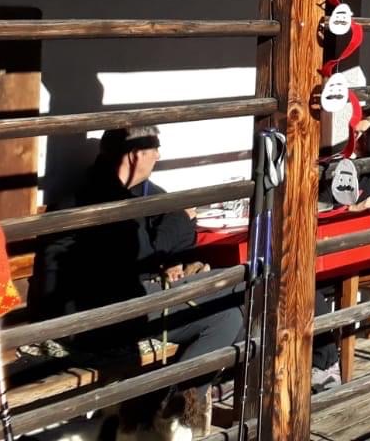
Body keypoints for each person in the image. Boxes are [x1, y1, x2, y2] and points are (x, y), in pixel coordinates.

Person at [33, 127, 245, 409]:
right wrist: (181, 221)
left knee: (233, 309)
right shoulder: (101, 200)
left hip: (121, 299)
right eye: (154, 148)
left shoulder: (119, 190)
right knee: (236, 293)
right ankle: (171, 411)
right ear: (135, 155)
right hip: (94, 317)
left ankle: (175, 408)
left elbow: (161, 241)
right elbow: (145, 253)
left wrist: (171, 254)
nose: (158, 155)